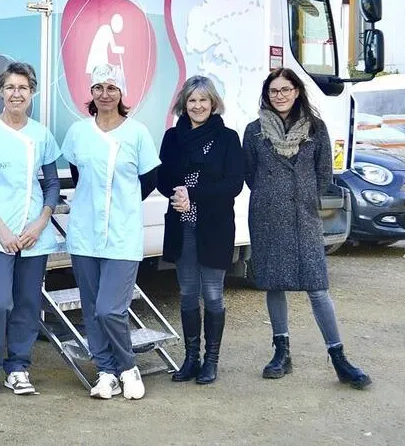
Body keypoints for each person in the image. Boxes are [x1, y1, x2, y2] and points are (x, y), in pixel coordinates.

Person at [243, 67, 371, 389]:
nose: (280, 96)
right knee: (274, 283)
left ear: (297, 91)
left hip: (304, 217)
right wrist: (273, 196)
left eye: (285, 90)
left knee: (317, 287)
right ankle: (281, 352)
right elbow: (250, 174)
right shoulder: (254, 131)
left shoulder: (316, 129)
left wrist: (302, 197)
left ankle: (339, 357)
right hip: (268, 217)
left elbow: (324, 173)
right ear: (267, 95)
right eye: (274, 91)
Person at [0, 61, 61, 400]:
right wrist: (0, 228)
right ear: (1, 92)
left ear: (32, 93)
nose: (16, 93)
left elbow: (52, 184)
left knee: (28, 303)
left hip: (34, 233)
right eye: (10, 87)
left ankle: (18, 367)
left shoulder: (41, 134)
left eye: (23, 88)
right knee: (0, 302)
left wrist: (41, 221)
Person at [61, 63, 159, 400]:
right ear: (91, 92)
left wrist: (122, 203)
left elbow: (150, 179)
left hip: (122, 233)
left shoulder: (137, 133)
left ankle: (128, 367)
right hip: (85, 234)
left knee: (109, 309)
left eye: (112, 88)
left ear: (121, 93)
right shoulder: (79, 132)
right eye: (99, 88)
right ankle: (105, 372)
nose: (105, 94)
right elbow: (78, 174)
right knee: (91, 309)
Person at [157, 75, 243, 385]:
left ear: (213, 103)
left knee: (213, 295)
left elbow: (233, 184)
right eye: (192, 100)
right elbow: (162, 178)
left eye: (203, 100)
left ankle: (211, 360)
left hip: (215, 227)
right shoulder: (172, 137)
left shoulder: (227, 138)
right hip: (182, 227)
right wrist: (177, 193)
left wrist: (192, 194)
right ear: (184, 104)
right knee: (187, 294)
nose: (197, 106)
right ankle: (191, 358)